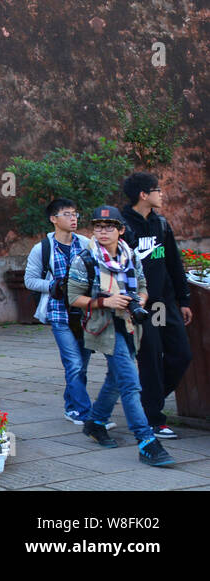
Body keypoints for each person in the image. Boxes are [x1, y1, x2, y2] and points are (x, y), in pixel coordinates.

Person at [67, 206, 174, 467]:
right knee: (130, 382)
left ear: (121, 230)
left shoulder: (131, 257)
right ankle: (146, 441)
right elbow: (73, 298)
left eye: (109, 227)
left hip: (128, 324)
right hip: (103, 327)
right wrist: (107, 302)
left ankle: (96, 421)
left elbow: (144, 286)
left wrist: (138, 301)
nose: (103, 231)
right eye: (98, 227)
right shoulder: (86, 259)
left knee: (116, 378)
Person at [121, 172, 193, 439]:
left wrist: (183, 299)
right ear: (143, 194)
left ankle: (147, 400)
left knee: (181, 355)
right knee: (150, 358)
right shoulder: (123, 226)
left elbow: (174, 262)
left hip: (164, 304)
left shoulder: (161, 224)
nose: (161, 194)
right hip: (139, 306)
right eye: (157, 190)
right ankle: (154, 418)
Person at [24, 198, 98, 425]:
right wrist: (52, 286)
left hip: (84, 314)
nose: (73, 218)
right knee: (74, 364)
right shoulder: (42, 249)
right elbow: (30, 280)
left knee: (81, 365)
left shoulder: (86, 244)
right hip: (59, 314)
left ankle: (71, 407)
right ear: (53, 219)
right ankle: (86, 414)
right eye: (67, 214)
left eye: (75, 214)